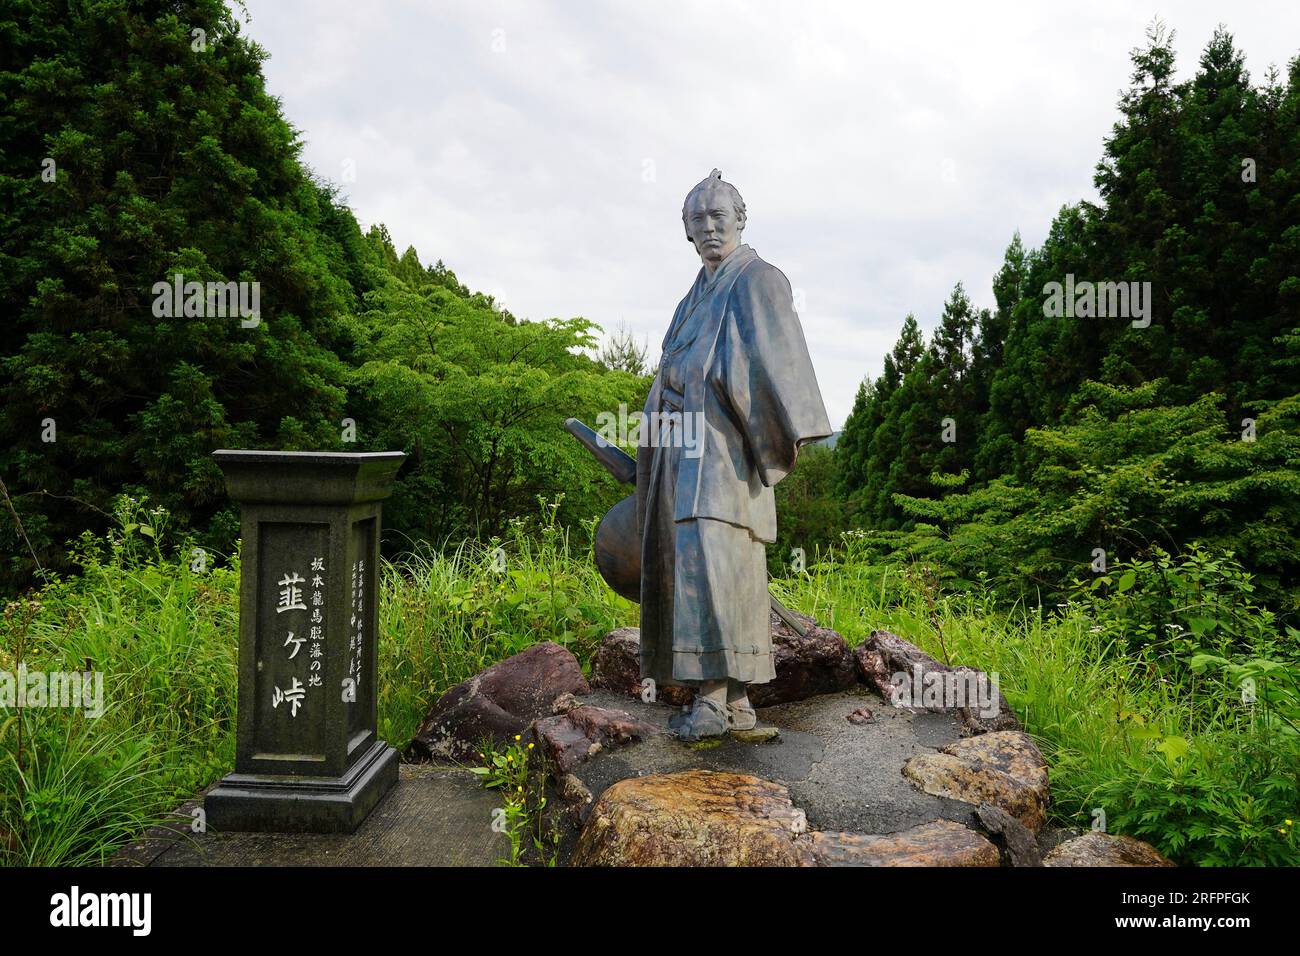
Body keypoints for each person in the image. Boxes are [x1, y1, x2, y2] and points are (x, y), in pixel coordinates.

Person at [636, 169, 833, 740]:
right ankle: (724, 700)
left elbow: (777, 359)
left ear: (740, 220)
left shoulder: (758, 279)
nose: (709, 228)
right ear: (687, 233)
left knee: (719, 565)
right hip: (682, 452)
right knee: (695, 566)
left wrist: (778, 422)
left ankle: (722, 699)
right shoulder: (691, 296)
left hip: (723, 456)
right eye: (698, 221)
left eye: (719, 217)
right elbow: (671, 366)